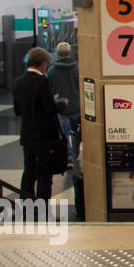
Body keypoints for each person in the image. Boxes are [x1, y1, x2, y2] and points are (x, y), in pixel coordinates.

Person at [13, 46, 64, 202]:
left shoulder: (18, 82)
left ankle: (26, 203)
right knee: (44, 174)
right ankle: (42, 207)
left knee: (29, 171)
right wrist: (61, 104)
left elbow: (17, 110)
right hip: (44, 136)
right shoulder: (42, 81)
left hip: (27, 135)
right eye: (46, 64)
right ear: (42, 63)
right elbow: (50, 108)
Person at [46, 42, 83, 217]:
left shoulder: (52, 70)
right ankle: (77, 154)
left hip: (62, 106)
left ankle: (68, 157)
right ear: (70, 53)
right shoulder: (77, 69)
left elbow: (49, 88)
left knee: (64, 133)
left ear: (58, 54)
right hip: (77, 106)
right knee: (77, 134)